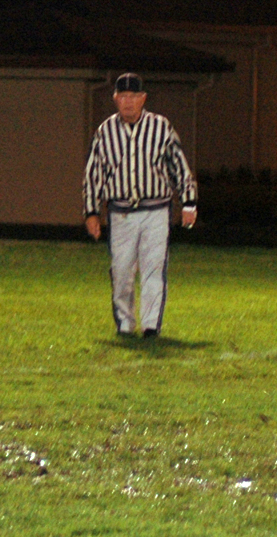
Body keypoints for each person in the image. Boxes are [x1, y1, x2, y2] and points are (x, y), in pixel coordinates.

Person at [81, 72, 197, 338]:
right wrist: (91, 212)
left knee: (153, 268)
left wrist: (188, 202)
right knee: (121, 270)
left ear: (143, 98)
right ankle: (124, 322)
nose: (128, 102)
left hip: (156, 210)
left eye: (133, 96)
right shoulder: (105, 132)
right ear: (115, 99)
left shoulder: (161, 127)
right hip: (121, 212)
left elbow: (179, 166)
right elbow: (93, 174)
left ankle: (151, 326)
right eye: (123, 97)